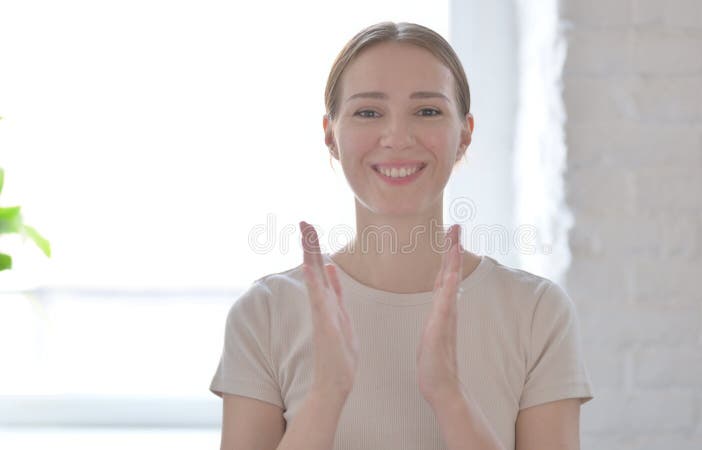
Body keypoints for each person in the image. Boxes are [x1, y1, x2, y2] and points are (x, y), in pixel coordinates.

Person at [210, 21, 594, 450]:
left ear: (464, 134)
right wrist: (327, 393)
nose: (396, 137)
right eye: (368, 112)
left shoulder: (537, 313)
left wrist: (449, 394)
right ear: (329, 136)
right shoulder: (264, 313)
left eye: (427, 111)